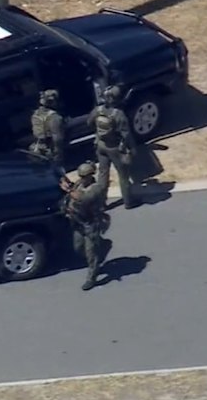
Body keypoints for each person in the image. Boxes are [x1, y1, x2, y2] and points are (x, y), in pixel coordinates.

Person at [87, 85, 139, 209]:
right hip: (115, 148)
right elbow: (126, 135)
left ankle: (101, 204)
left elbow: (89, 123)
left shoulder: (97, 110)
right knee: (123, 175)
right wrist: (132, 149)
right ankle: (128, 201)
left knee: (103, 174)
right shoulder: (119, 114)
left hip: (100, 145)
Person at [60, 162, 109, 291]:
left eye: (84, 176)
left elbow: (84, 199)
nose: (81, 178)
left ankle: (91, 277)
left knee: (91, 252)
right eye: (80, 176)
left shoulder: (97, 188)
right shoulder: (79, 183)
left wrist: (69, 190)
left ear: (90, 175)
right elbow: (73, 189)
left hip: (91, 223)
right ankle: (94, 260)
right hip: (78, 221)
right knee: (78, 247)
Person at [28, 89, 67, 165]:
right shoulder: (54, 117)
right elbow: (57, 139)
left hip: (36, 148)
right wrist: (58, 155)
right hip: (49, 150)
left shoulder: (36, 114)